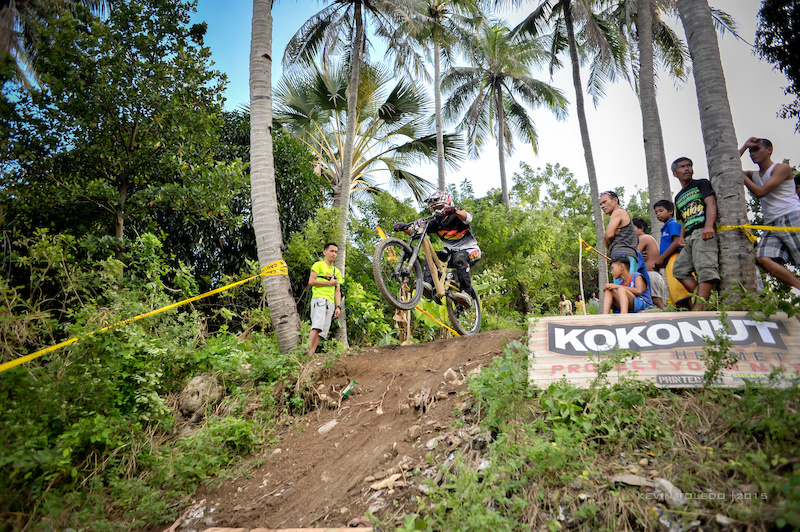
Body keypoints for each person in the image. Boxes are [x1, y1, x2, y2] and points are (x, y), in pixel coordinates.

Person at [394, 190, 481, 305]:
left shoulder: (458, 216)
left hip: (470, 250)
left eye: (439, 207)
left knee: (460, 258)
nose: (437, 211)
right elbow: (417, 233)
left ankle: (467, 293)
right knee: (432, 257)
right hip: (450, 254)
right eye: (434, 209)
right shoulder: (436, 224)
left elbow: (468, 217)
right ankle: (428, 285)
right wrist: (404, 228)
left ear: (447, 204)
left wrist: (454, 210)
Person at [740, 137, 800, 296]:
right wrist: (745, 146)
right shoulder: (754, 175)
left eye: (756, 149)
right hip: (771, 224)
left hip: (792, 217)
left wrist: (743, 176)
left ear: (769, 150)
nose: (753, 154)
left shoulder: (781, 168)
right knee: (762, 258)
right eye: (750, 152)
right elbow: (731, 165)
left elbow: (761, 192)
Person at [671, 157, 719, 311]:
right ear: (675, 173)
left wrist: (709, 226)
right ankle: (704, 301)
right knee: (679, 269)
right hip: (689, 236)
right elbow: (683, 220)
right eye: (682, 167)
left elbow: (711, 203)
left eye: (689, 166)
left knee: (706, 268)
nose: (687, 169)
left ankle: (699, 308)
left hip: (702, 231)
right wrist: (682, 237)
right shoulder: (678, 197)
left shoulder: (701, 184)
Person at [652, 200, 691, 307]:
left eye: (661, 211)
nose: (658, 214)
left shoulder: (672, 224)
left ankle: (695, 311)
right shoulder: (665, 227)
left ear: (670, 211)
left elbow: (677, 242)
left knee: (684, 292)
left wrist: (661, 259)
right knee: (677, 293)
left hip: (676, 259)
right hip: (669, 262)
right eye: (656, 212)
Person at [307, 242, 343, 354]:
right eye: (331, 251)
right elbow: (311, 281)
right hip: (319, 299)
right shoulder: (318, 265)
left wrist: (338, 307)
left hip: (330, 303)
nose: (334, 254)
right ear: (325, 252)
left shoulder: (337, 271)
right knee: (317, 326)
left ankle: (310, 354)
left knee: (322, 331)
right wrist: (329, 283)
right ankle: (304, 352)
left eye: (336, 252)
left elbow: (337, 290)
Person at [600, 191, 639, 274]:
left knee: (623, 286)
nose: (602, 206)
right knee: (627, 285)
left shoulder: (618, 212)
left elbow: (609, 235)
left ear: (615, 200)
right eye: (601, 204)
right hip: (625, 256)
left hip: (623, 258)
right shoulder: (618, 216)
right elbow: (607, 238)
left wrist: (609, 235)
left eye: (604, 202)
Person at [632, 218, 667, 309]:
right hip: (655, 276)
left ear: (641, 228)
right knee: (658, 304)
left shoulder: (643, 238)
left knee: (656, 302)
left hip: (650, 275)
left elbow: (633, 255)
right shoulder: (649, 239)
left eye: (633, 228)